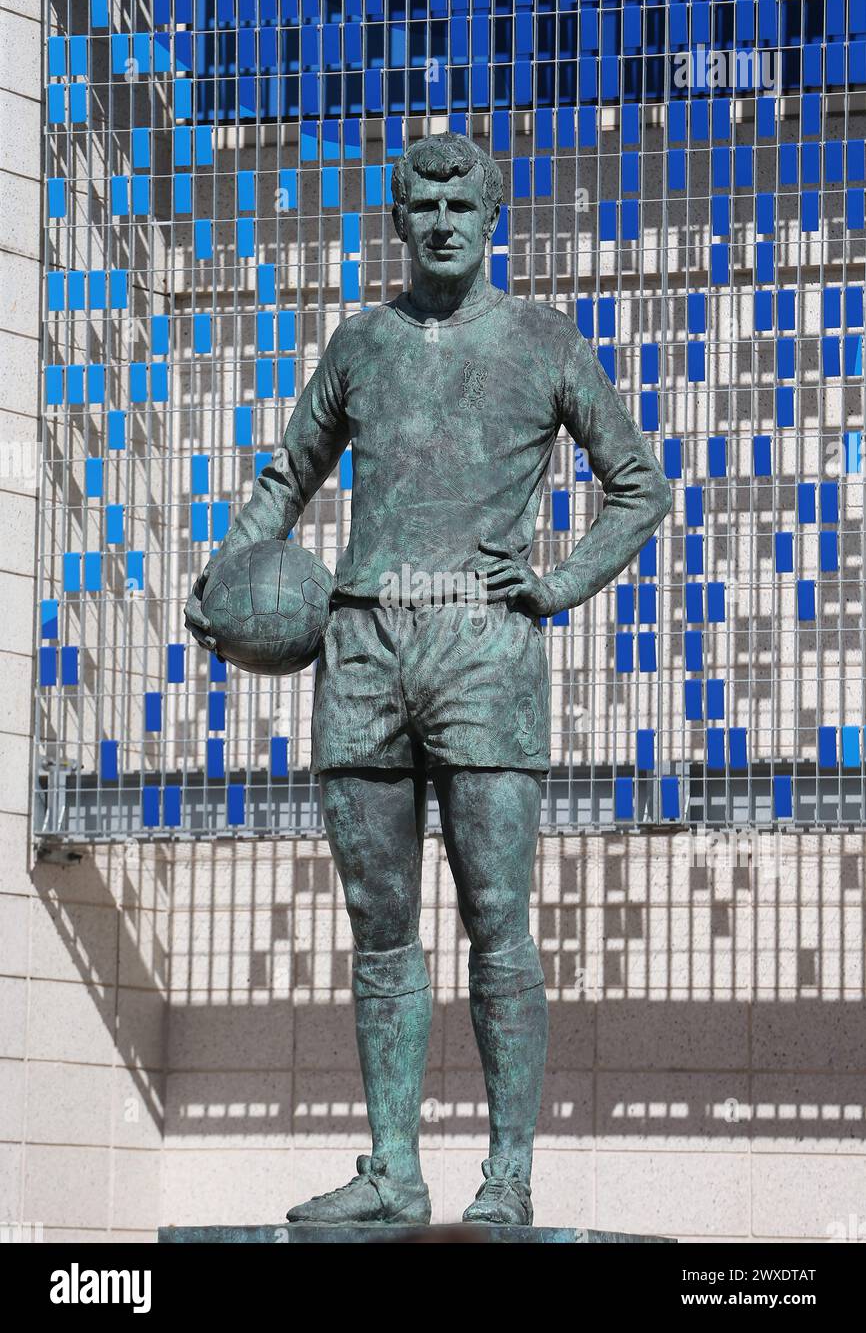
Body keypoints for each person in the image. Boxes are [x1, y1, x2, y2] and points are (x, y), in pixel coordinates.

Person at [185, 133, 672, 1227]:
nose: (443, 219)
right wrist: (222, 578)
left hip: (483, 658)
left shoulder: (545, 340)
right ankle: (393, 1167)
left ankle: (506, 1172)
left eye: (462, 202)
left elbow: (636, 487)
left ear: (492, 215)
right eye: (422, 204)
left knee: (497, 915)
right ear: (396, 221)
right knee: (378, 923)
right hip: (362, 653)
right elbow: (285, 478)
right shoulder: (359, 343)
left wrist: (553, 586)